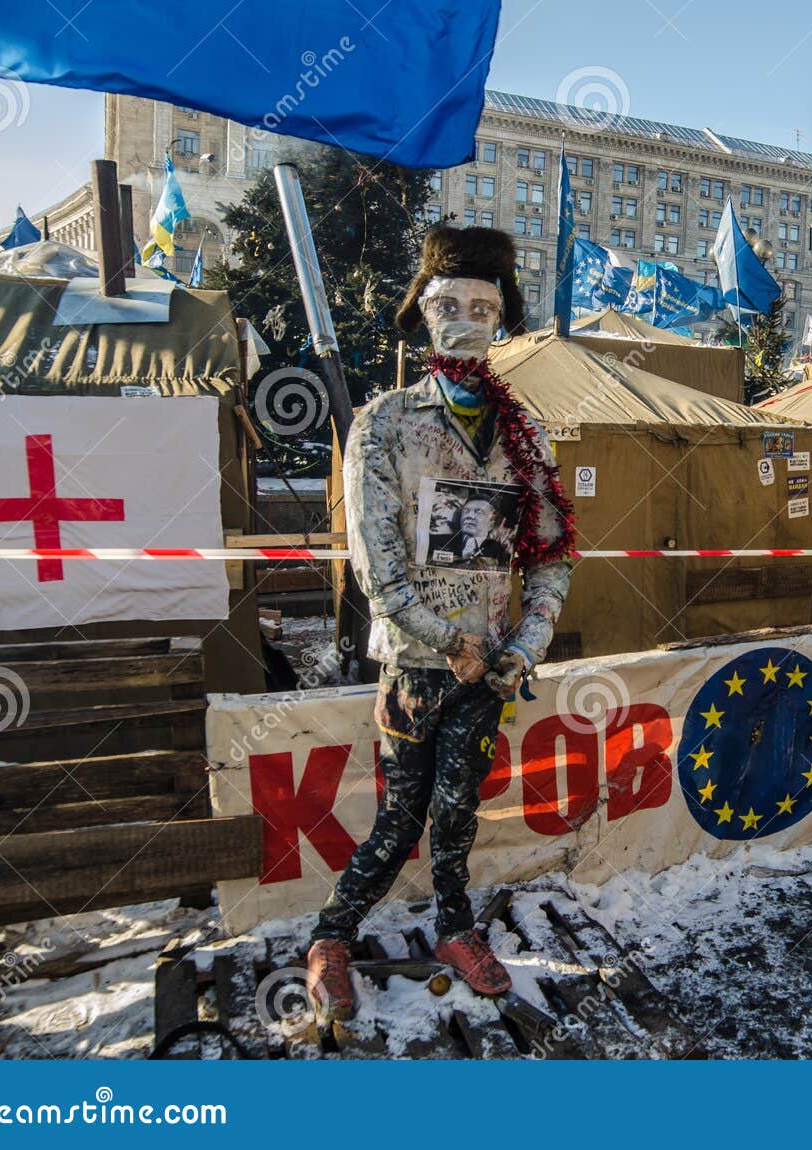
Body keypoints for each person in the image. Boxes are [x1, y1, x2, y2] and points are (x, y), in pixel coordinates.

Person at [305, 226, 575, 1023]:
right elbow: (376, 563)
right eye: (449, 303)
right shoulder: (385, 425)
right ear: (423, 314)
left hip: (489, 669)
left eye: (484, 306)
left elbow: (554, 555)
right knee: (399, 819)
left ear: (502, 320)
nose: (467, 317)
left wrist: (527, 643)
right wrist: (444, 639)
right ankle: (331, 934)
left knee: (460, 814)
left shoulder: (526, 440)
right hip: (419, 669)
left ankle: (455, 928)